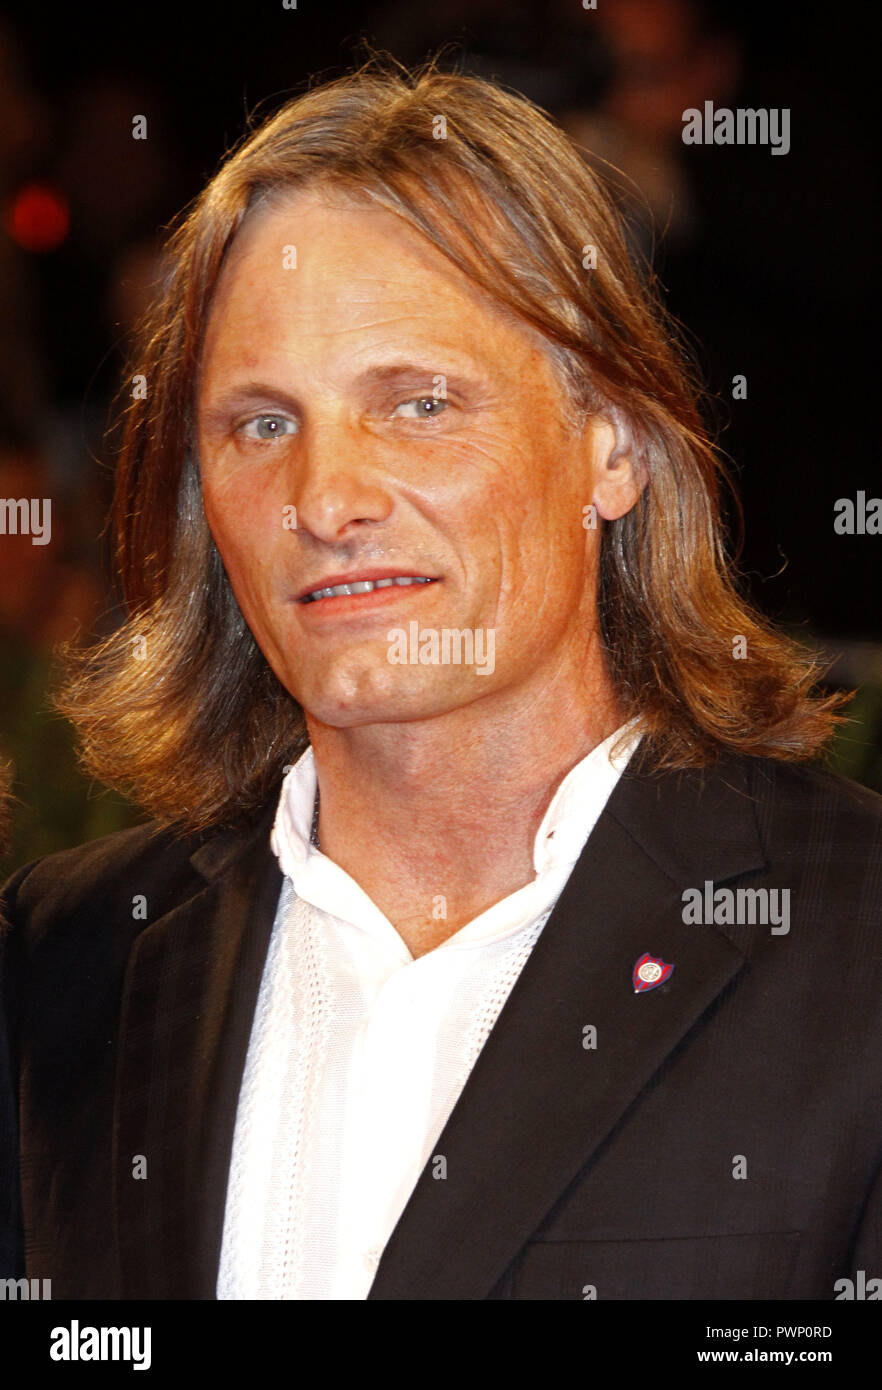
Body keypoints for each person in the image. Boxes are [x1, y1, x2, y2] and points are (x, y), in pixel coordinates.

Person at [2, 59, 880, 1301]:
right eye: (261, 423)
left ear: (613, 448)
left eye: (416, 403)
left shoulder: (851, 945)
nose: (326, 498)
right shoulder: (60, 966)